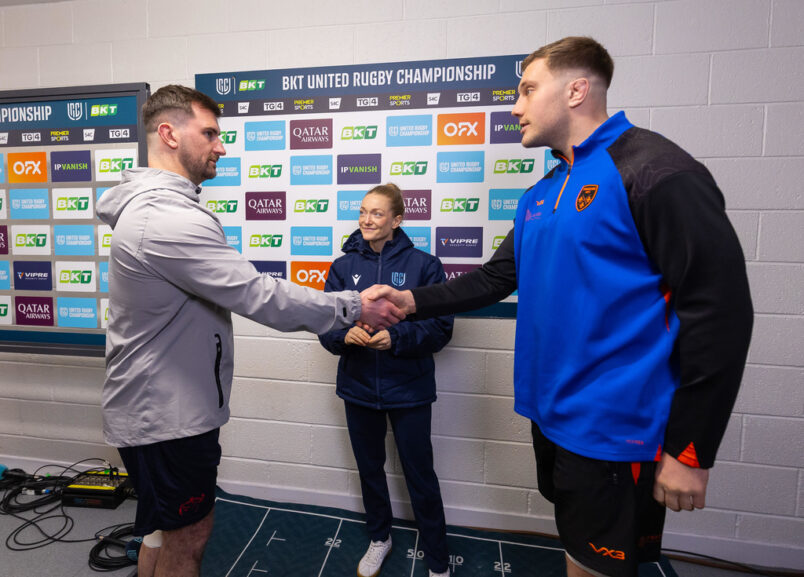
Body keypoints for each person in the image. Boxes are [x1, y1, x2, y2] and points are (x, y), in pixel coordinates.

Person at [365, 37, 753, 577]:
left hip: (613, 430)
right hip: (551, 419)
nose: (515, 107)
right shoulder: (543, 191)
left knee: (592, 567)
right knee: (579, 552)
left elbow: (720, 313)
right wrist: (411, 300)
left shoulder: (655, 170)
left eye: (527, 90)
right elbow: (497, 277)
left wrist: (691, 449)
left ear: (576, 90)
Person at [95, 85, 403, 577]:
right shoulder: (164, 217)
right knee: (187, 538)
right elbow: (259, 295)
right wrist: (352, 306)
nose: (221, 146)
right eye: (209, 133)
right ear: (169, 134)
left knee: (158, 532)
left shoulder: (162, 209)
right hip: (168, 418)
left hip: (161, 409)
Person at [318, 184, 454, 577]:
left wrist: (396, 338)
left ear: (397, 220)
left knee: (420, 475)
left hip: (409, 390)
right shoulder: (342, 267)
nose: (366, 220)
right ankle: (380, 538)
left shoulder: (425, 265)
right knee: (370, 470)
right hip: (358, 389)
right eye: (363, 211)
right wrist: (344, 336)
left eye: (376, 213)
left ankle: (438, 558)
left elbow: (441, 329)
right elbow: (326, 324)